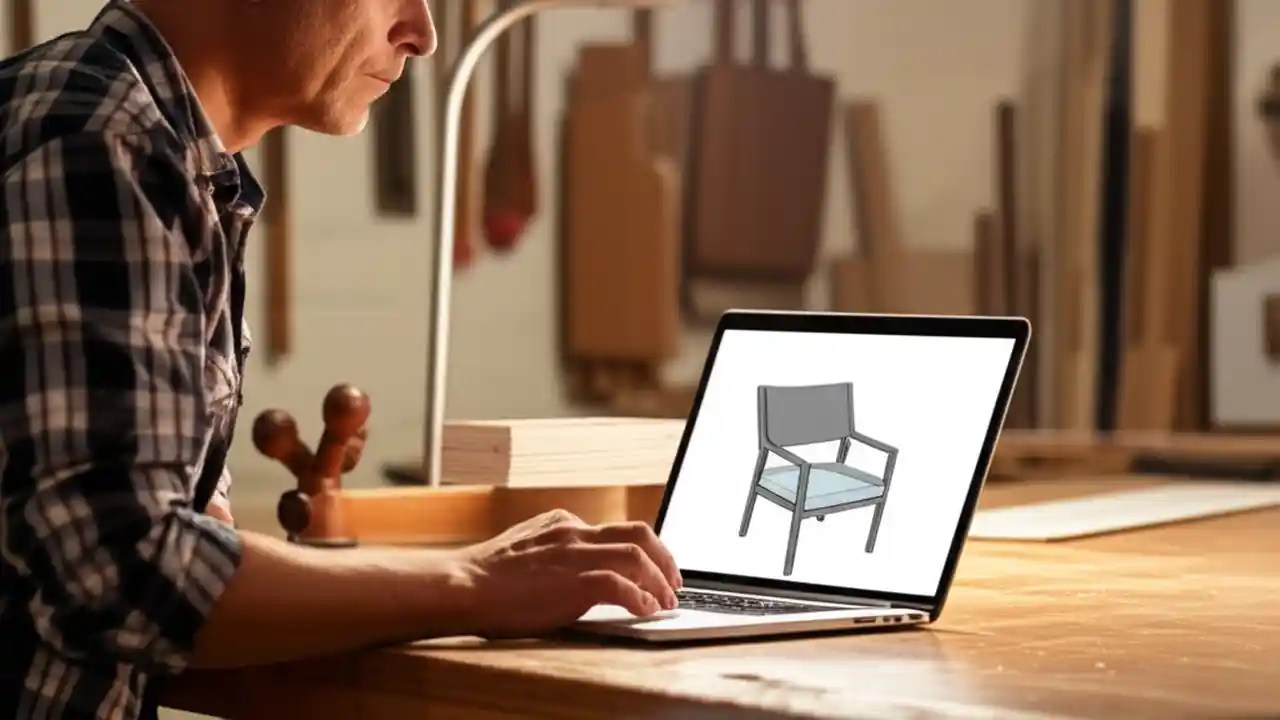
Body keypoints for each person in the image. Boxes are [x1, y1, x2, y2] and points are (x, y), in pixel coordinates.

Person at [0, 1, 682, 718]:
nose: (422, 32)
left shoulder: (156, 152)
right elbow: (120, 571)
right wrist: (474, 580)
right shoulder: (99, 143)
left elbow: (161, 532)